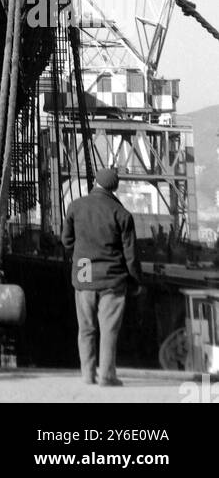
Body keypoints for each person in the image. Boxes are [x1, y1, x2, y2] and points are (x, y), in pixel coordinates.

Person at [61, 166, 142, 387]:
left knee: (85, 327)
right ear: (114, 187)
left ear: (96, 182)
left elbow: (66, 241)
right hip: (112, 277)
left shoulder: (76, 207)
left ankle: (87, 375)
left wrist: (83, 252)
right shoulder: (122, 214)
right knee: (108, 329)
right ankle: (107, 376)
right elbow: (131, 255)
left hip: (85, 271)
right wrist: (135, 281)